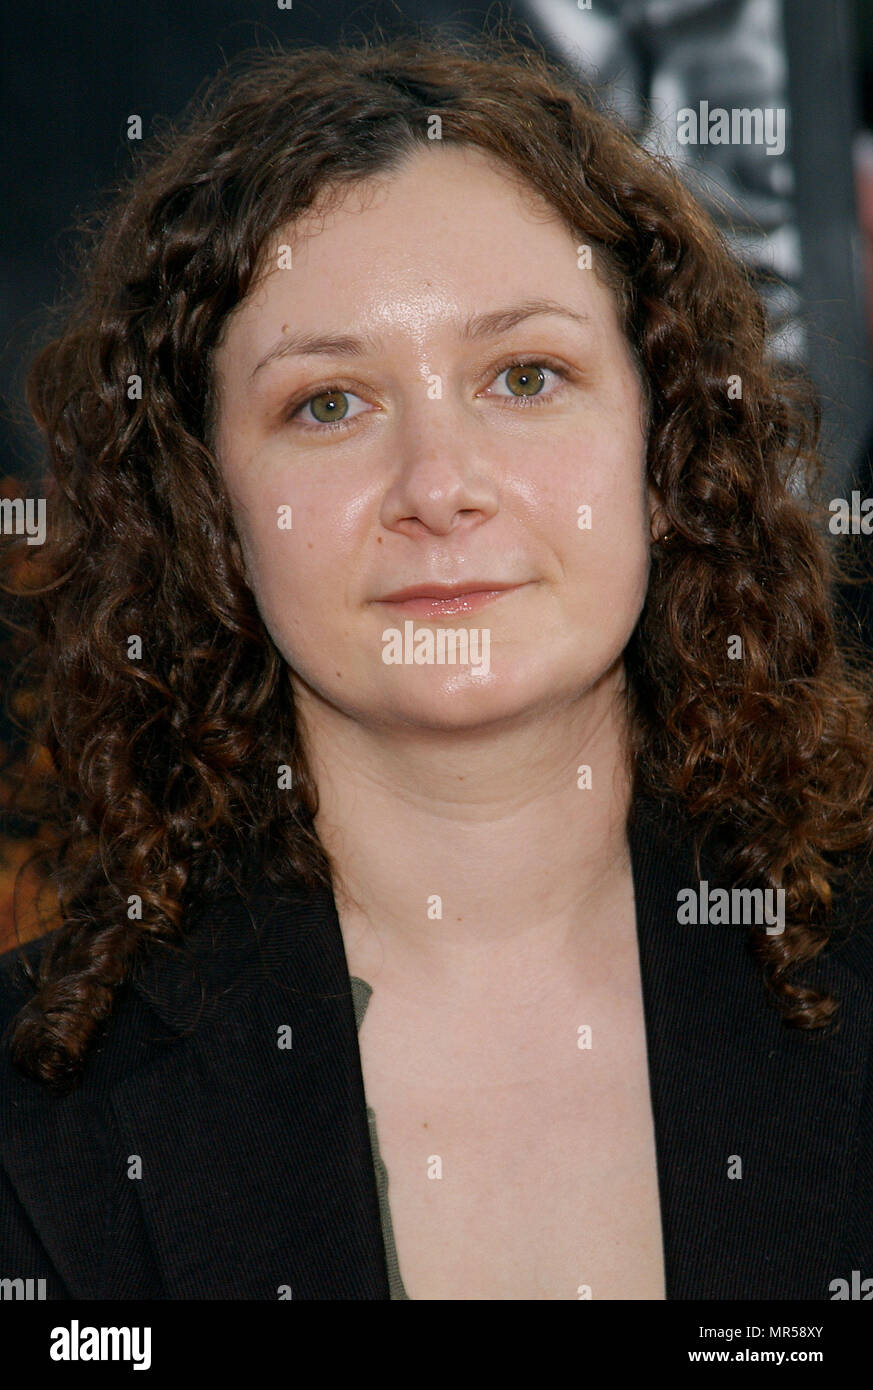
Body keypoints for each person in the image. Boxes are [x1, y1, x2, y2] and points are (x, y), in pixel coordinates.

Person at [1, 29, 872, 1303]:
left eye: (526, 376)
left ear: (667, 450)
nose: (436, 488)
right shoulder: (41, 1108)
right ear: (207, 512)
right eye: (327, 403)